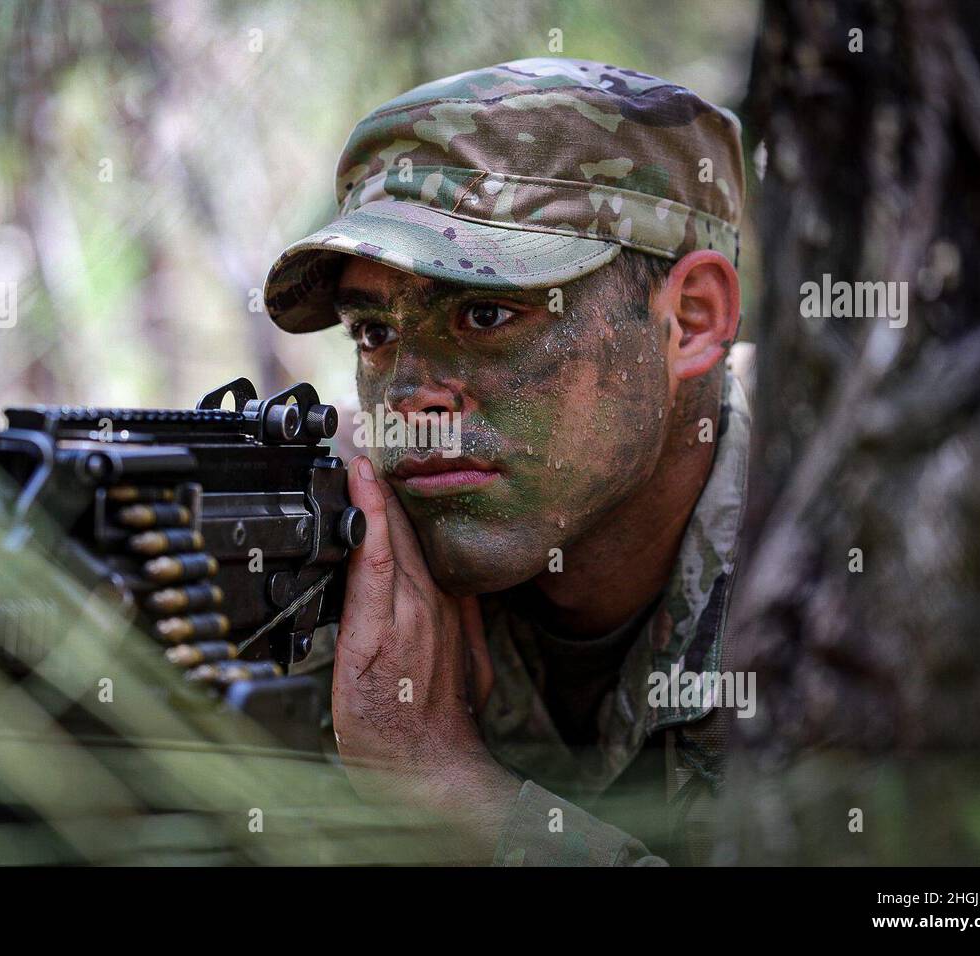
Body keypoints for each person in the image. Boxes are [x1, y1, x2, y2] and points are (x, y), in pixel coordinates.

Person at [263, 58, 750, 866]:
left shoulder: (865, 581)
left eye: (487, 313)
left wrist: (446, 791)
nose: (411, 401)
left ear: (690, 322)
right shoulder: (332, 569)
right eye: (375, 333)